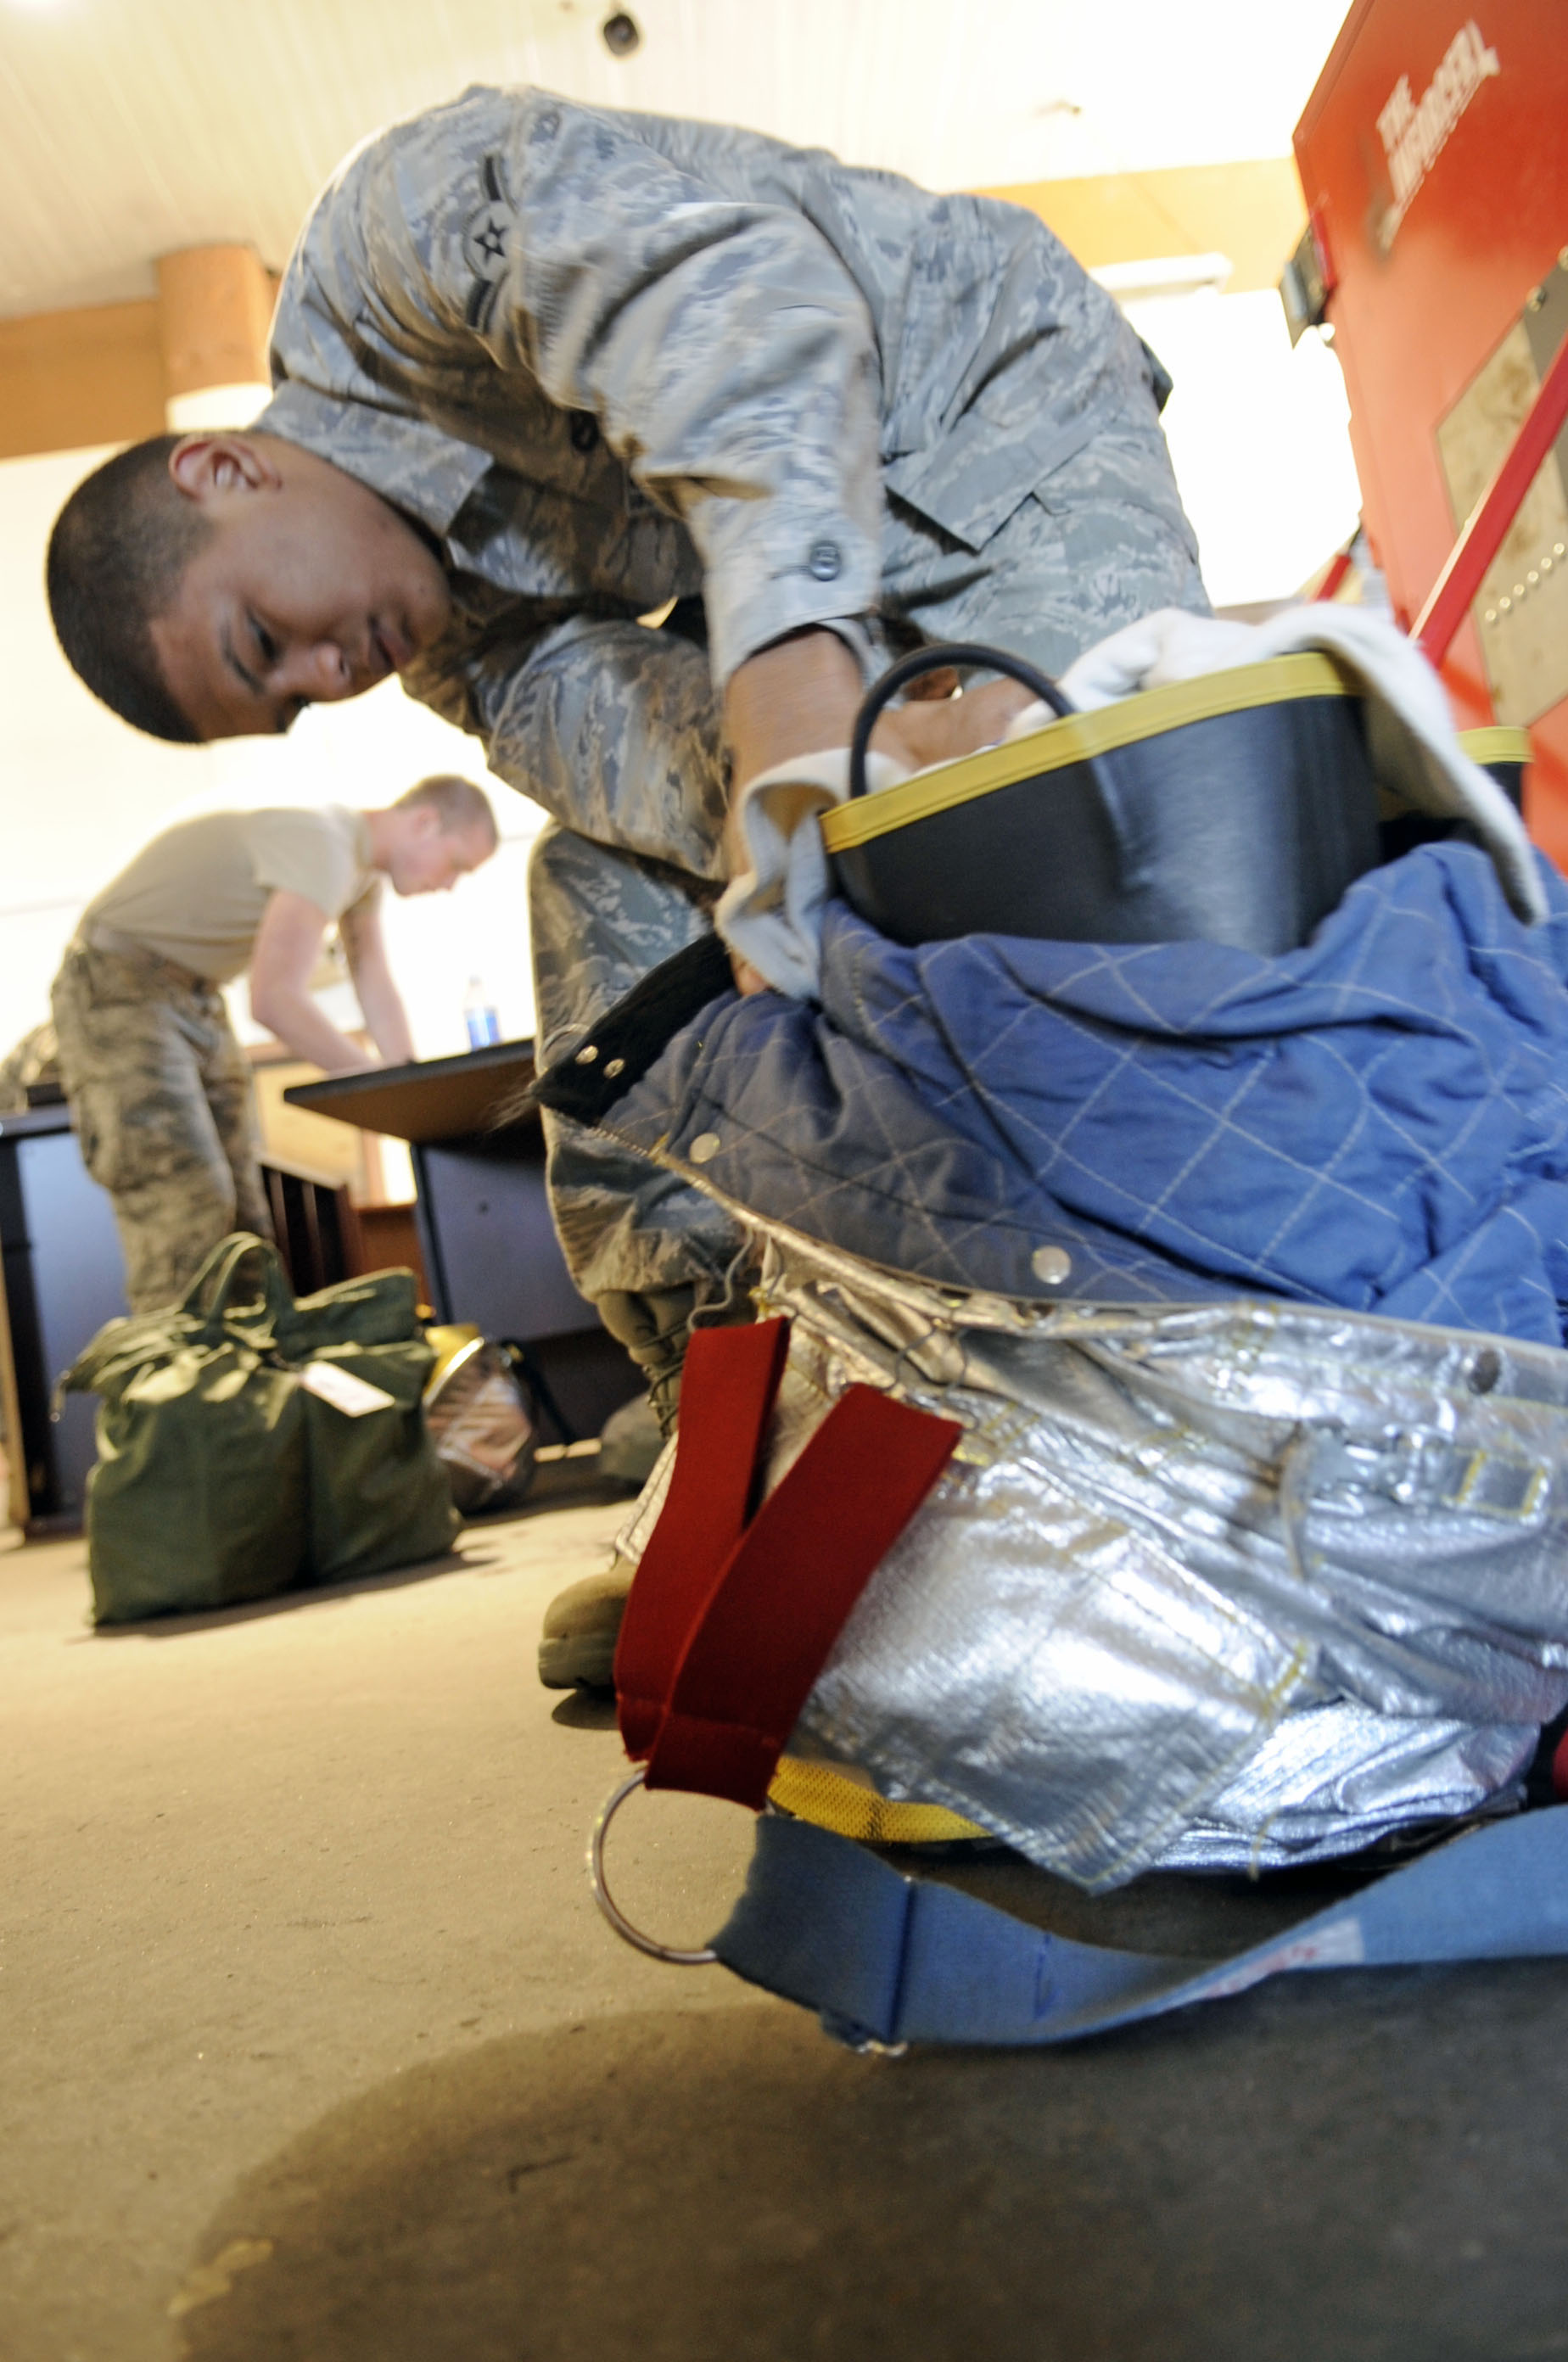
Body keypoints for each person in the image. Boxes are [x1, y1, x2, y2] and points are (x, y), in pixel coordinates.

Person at [45, 86, 1208, 1676]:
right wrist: (822, 778)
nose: (331, 668)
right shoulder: (449, 661)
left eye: (271, 635)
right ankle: (729, 1435)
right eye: (294, 695)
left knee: (1045, 857)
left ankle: (1140, 1437)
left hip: (976, 427)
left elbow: (732, 300)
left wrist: (804, 680)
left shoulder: (391, 242)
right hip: (800, 599)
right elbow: (689, 767)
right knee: (599, 891)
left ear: (221, 470)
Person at [50, 775, 497, 1314]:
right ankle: (181, 1387)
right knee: (184, 1208)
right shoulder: (324, 844)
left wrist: (412, 1093)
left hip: (198, 997)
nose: (449, 884)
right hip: (120, 988)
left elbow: (374, 983)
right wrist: (383, 1093)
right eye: (456, 865)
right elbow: (276, 1000)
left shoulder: (360, 875)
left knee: (244, 1216)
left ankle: (247, 1380)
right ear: (425, 823)